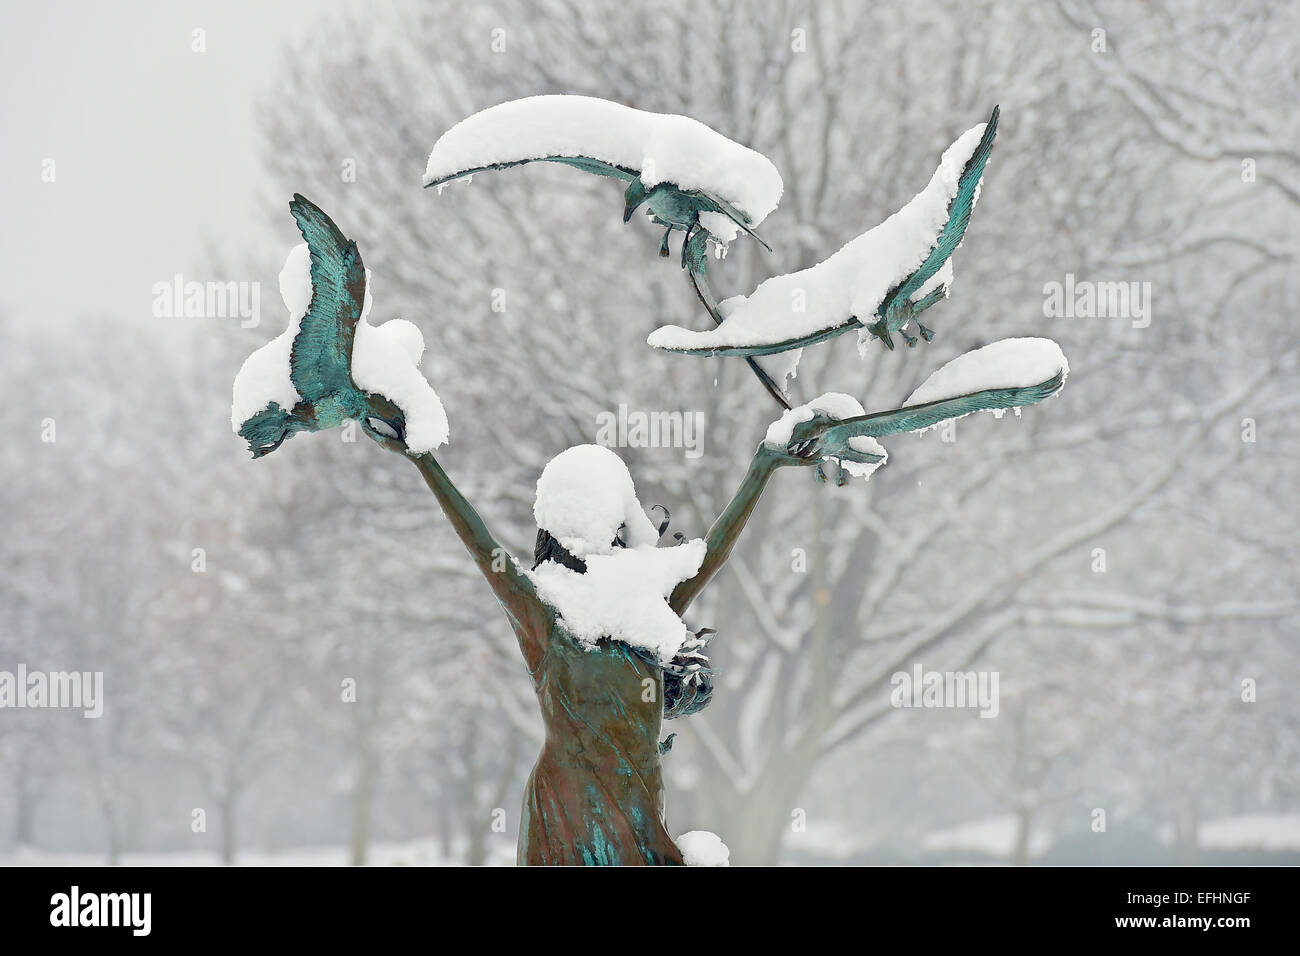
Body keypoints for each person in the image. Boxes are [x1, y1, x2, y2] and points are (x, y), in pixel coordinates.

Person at [367, 428, 826, 865]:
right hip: (564, 809)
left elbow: (712, 554)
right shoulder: (546, 617)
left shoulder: (646, 613)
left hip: (638, 803)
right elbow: (483, 547)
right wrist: (424, 461)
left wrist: (763, 466)